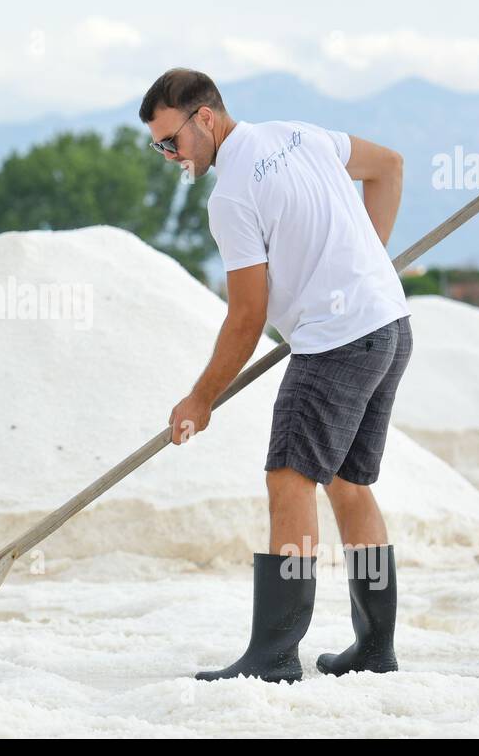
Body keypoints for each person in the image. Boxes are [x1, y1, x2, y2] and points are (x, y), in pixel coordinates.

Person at [139, 68, 412, 683]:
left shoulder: (232, 194)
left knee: (290, 481)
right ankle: (375, 649)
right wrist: (365, 263)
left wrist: (200, 398)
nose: (168, 155)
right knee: (348, 483)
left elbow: (247, 316)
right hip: (390, 324)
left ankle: (274, 654)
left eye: (170, 141)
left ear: (204, 118)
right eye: (159, 146)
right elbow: (390, 166)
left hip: (336, 344)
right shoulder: (296, 134)